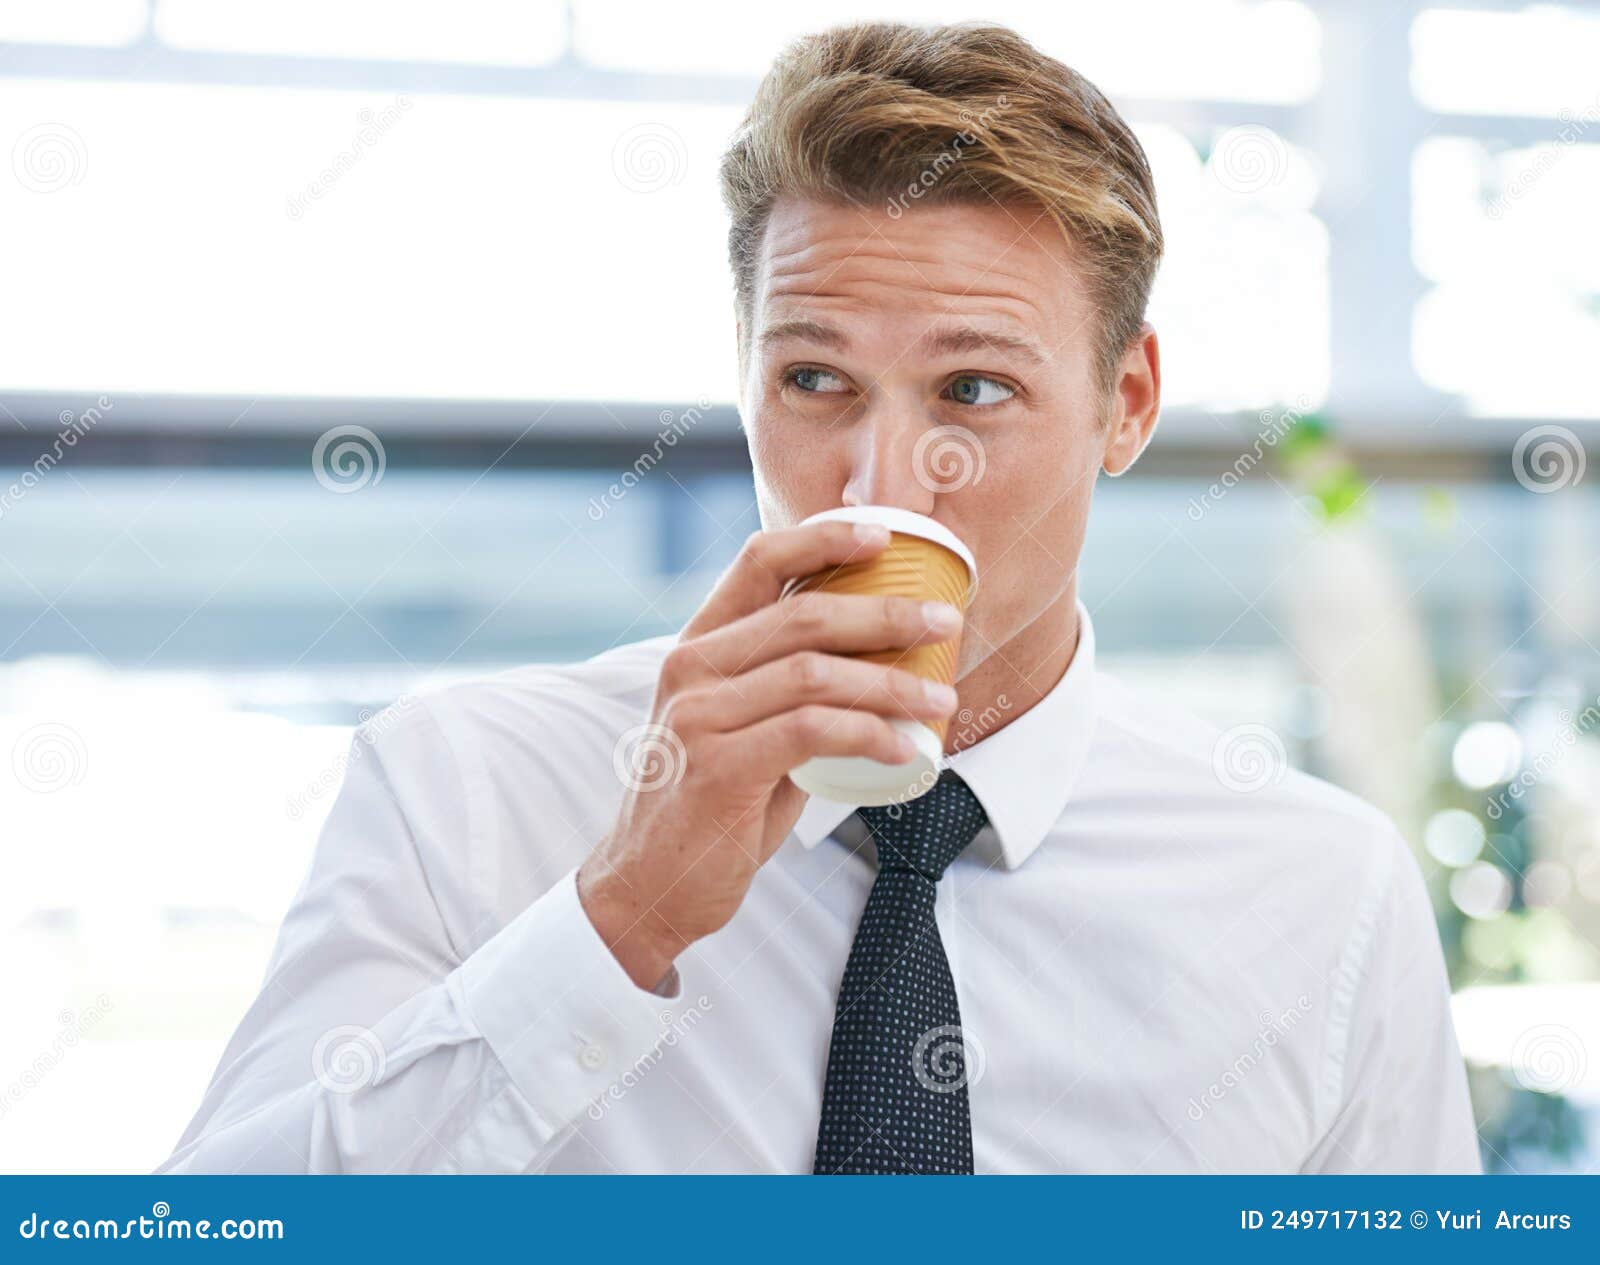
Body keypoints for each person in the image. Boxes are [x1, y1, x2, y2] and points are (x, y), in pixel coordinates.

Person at [161, 21, 1479, 1174]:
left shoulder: (1322, 889)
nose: (877, 480)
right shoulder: (461, 789)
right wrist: (619, 917)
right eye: (812, 379)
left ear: (1125, 403)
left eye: (973, 389)